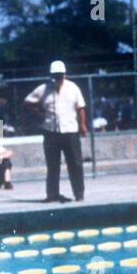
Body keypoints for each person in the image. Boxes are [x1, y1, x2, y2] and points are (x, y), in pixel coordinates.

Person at [24, 60, 87, 202]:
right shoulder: (43, 89)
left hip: (70, 131)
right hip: (51, 132)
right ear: (51, 75)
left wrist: (83, 125)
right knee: (52, 165)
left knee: (75, 164)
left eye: (60, 75)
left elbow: (81, 107)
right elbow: (27, 101)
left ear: (65, 74)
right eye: (55, 75)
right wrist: (40, 113)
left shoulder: (73, 88)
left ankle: (79, 193)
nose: (58, 78)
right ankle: (52, 194)